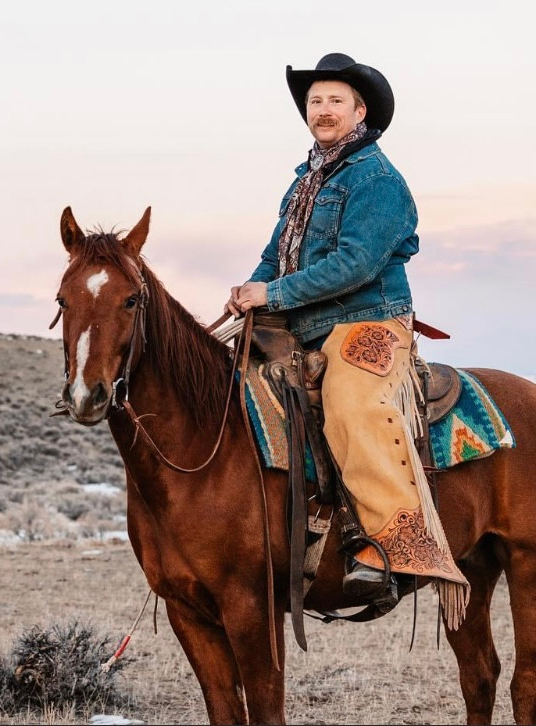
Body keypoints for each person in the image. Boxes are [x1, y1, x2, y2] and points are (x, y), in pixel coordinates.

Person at [225, 53, 469, 621]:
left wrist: (275, 296)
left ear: (360, 111)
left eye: (336, 100)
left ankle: (388, 550)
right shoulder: (306, 181)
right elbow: (273, 256)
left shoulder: (377, 179)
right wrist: (250, 290)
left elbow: (357, 263)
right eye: (315, 101)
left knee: (352, 402)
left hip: (367, 322)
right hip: (302, 323)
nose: (323, 109)